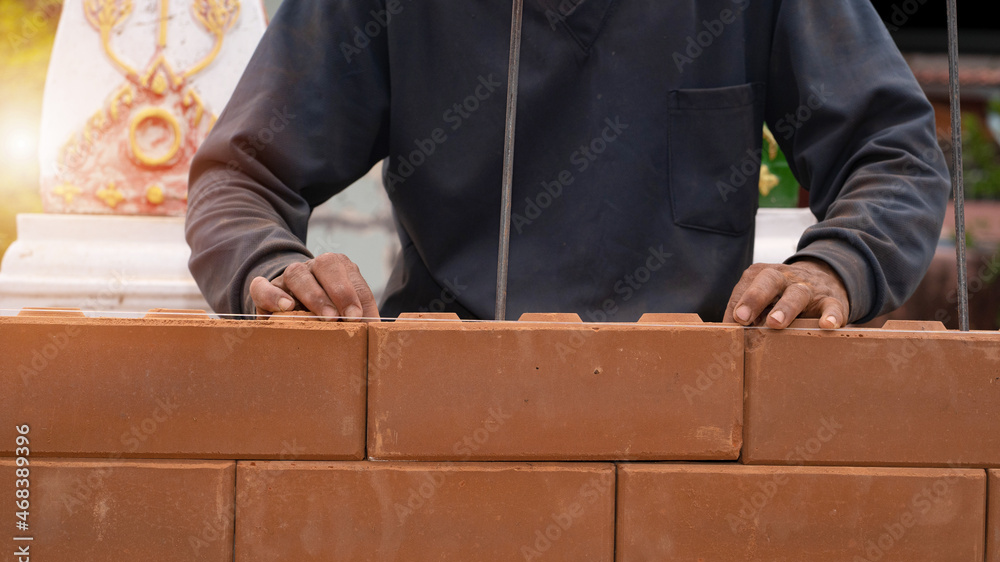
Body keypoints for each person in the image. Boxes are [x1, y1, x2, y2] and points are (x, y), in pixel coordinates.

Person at [185, 0, 950, 328]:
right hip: (443, 417)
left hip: (696, 427)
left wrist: (837, 267)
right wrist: (271, 269)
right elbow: (239, 177)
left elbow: (896, 155)